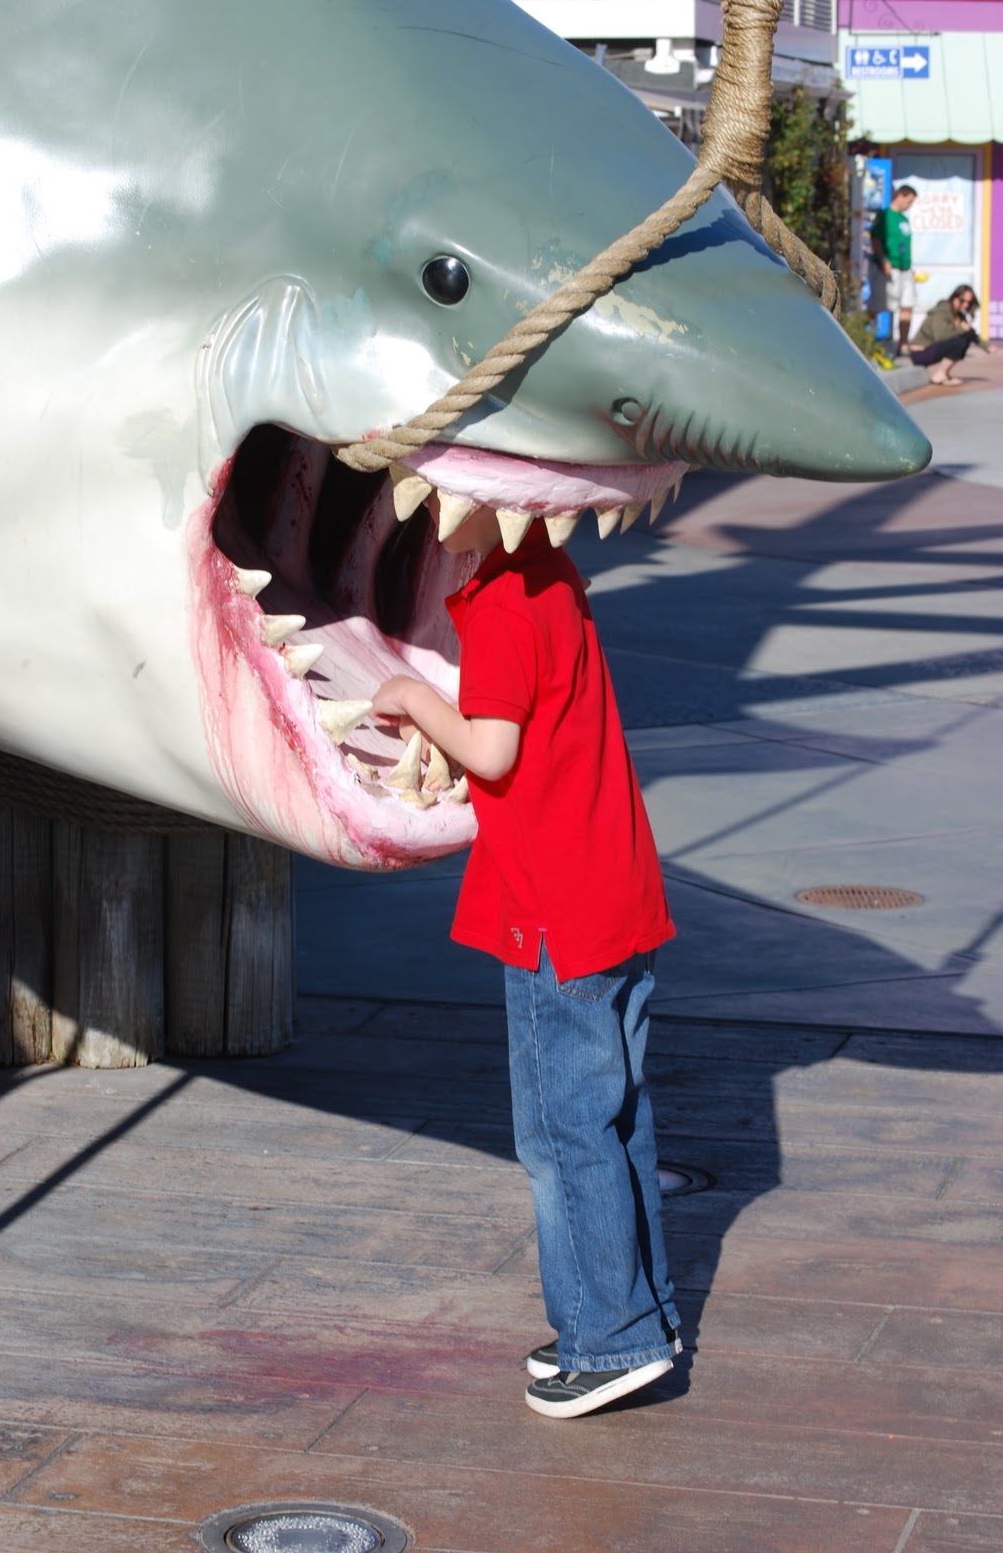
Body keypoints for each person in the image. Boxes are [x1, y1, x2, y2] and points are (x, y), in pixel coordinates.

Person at [371, 497, 681, 1420]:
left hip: (554, 916)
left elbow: (494, 750)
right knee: (619, 1121)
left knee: (560, 1134)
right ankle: (636, 1316)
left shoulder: (505, 604)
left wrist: (414, 699)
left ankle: (608, 1341)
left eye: (433, 494)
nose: (420, 509)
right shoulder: (552, 579)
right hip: (614, 893)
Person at [867, 184, 918, 355]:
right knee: (879, 306)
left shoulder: (904, 219)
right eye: (909, 201)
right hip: (889, 269)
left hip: (906, 269)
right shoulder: (885, 215)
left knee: (907, 306)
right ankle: (864, 340)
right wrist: (883, 260)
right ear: (900, 196)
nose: (910, 205)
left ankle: (903, 344)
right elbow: (876, 239)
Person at [909, 285, 992, 387]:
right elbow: (939, 336)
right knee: (960, 341)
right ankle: (940, 375)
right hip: (920, 353)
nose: (966, 305)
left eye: (969, 302)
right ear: (955, 297)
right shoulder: (942, 310)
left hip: (931, 349)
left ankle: (944, 374)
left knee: (965, 337)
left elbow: (971, 334)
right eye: (963, 301)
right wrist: (961, 329)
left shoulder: (958, 315)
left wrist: (987, 347)